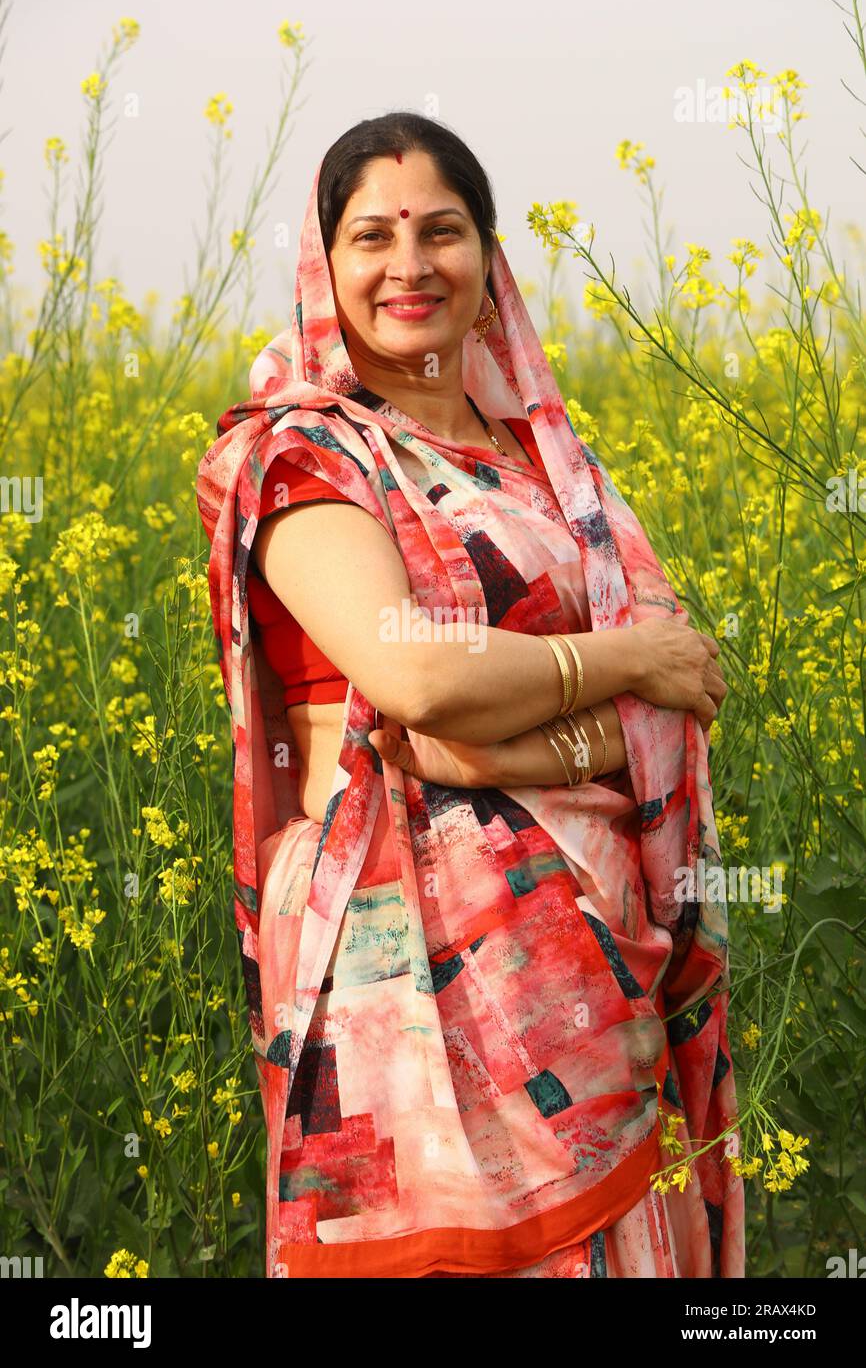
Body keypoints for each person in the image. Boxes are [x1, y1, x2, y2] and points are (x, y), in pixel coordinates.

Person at [195, 111, 745, 1279]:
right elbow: (411, 673)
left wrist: (494, 753)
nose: (409, 266)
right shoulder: (299, 458)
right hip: (392, 964)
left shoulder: (548, 462)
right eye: (371, 236)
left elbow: (677, 694)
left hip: (588, 952)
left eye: (441, 231)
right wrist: (621, 672)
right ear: (323, 266)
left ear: (488, 262)